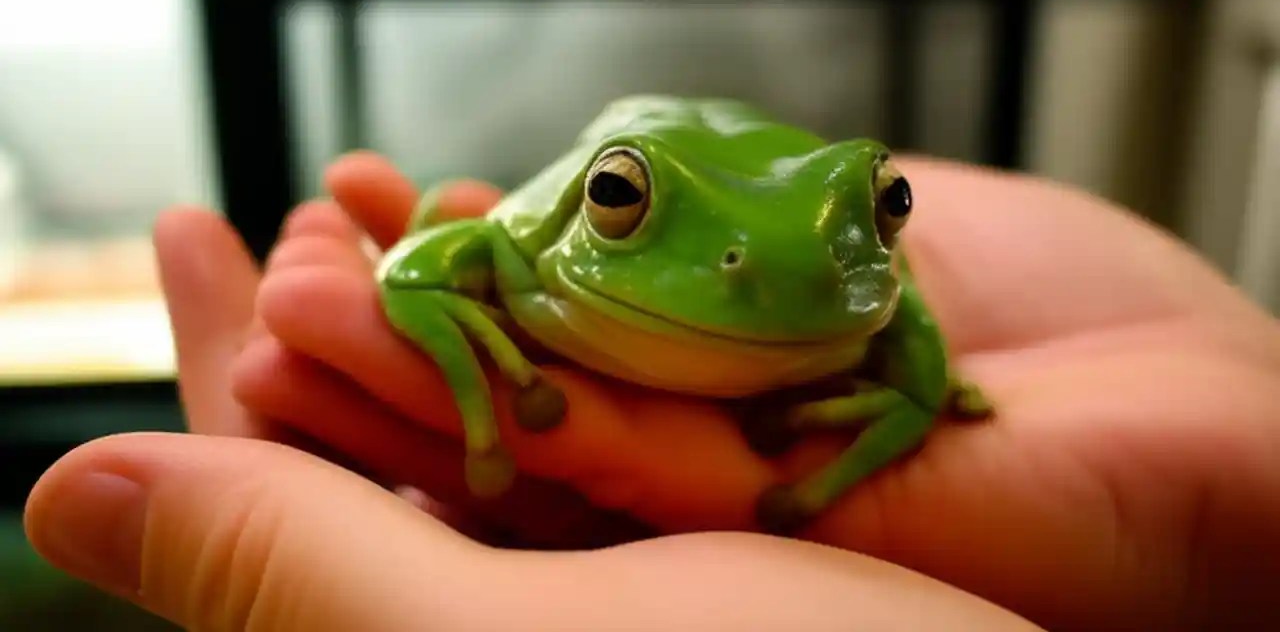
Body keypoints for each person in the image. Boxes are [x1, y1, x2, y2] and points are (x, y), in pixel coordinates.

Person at [23, 152, 1280, 631]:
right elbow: (423, 262)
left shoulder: (864, 292)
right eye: (620, 203)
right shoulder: (539, 243)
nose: (756, 271)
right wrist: (467, 338)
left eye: (886, 209)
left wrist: (909, 397)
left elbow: (910, 325)